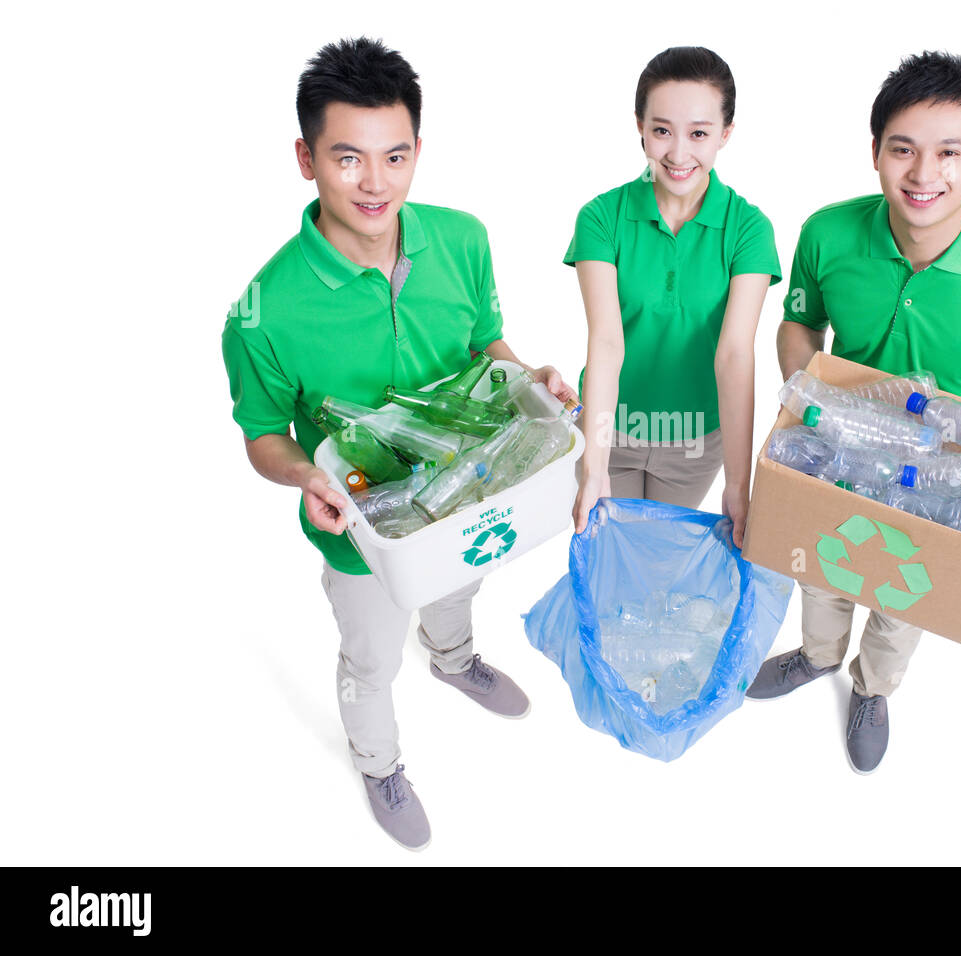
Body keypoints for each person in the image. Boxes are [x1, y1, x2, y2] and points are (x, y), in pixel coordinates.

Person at [220, 37, 576, 850]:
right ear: (306, 159)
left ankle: (453, 659)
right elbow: (262, 437)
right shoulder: (264, 311)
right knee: (370, 658)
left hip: (468, 491)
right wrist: (309, 474)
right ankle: (378, 761)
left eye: (395, 156)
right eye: (348, 159)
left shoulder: (462, 239)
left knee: (458, 584)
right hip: (363, 530)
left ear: (419, 151)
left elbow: (488, 343)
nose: (374, 183)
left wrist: (533, 378)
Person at [746, 51, 961, 774]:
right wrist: (808, 402)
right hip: (838, 452)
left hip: (948, 481)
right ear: (874, 152)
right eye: (903, 149)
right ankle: (816, 656)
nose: (923, 174)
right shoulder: (829, 235)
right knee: (821, 569)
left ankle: (873, 688)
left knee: (904, 598)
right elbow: (798, 327)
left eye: (949, 153)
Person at [566, 46, 781, 546]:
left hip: (693, 439)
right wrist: (594, 466)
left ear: (726, 134)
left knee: (656, 559)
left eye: (699, 134)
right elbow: (607, 343)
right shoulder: (601, 217)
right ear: (639, 126)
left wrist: (738, 482)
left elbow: (733, 355)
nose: (679, 154)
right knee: (606, 558)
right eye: (662, 130)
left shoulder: (748, 229)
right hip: (607, 429)